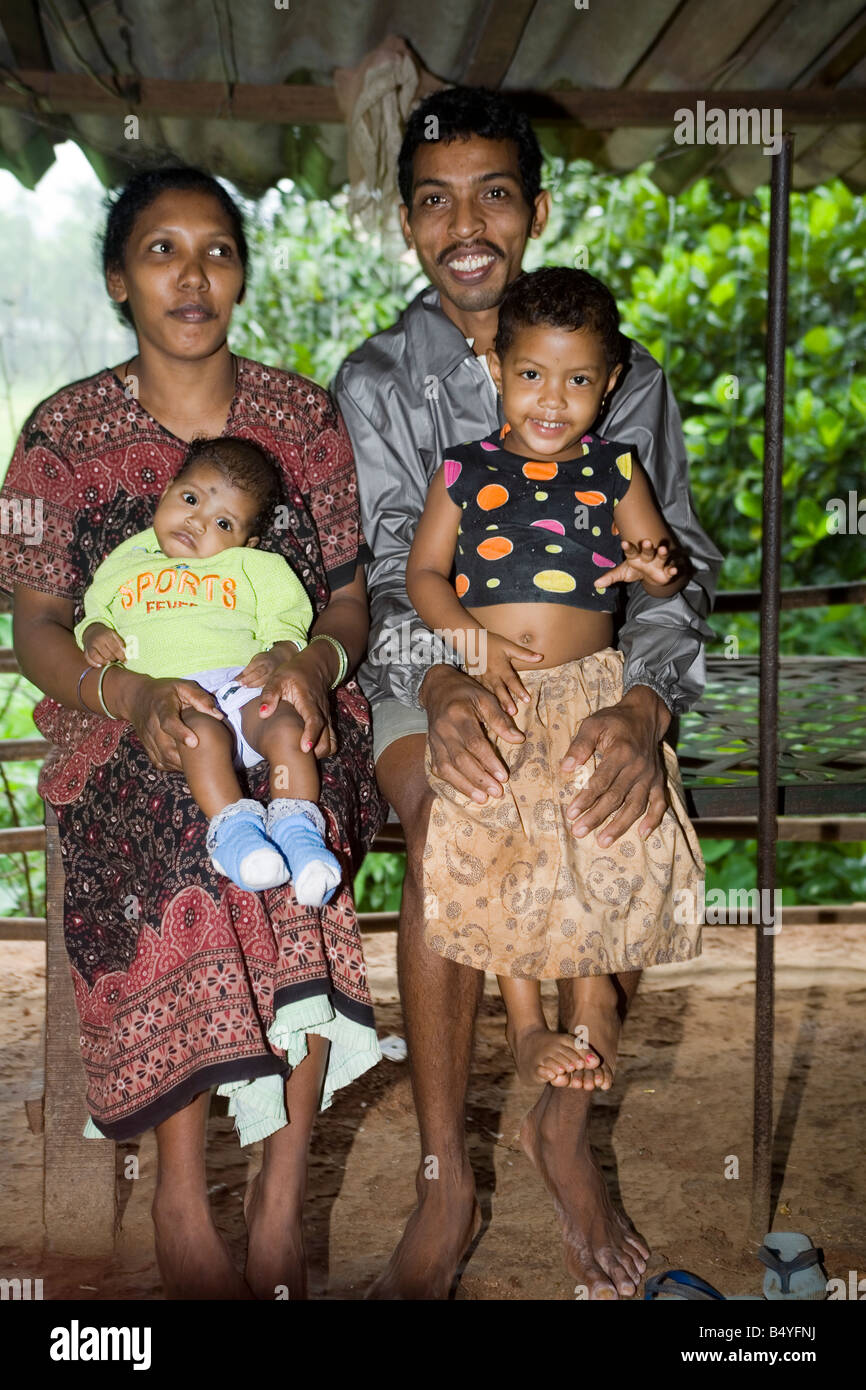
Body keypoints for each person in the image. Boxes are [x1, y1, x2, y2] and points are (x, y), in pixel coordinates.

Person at [334, 86, 723, 1299]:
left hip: (591, 677)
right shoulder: (378, 379)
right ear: (407, 224)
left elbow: (675, 573)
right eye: (437, 199)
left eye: (494, 192)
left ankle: (564, 1119)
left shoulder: (628, 379)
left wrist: (641, 710)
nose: (467, 223)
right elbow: (393, 575)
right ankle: (448, 1175)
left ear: (534, 209)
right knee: (455, 809)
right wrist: (446, 684)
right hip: (426, 667)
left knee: (611, 801)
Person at [1, 165, 388, 1300]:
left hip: (289, 703)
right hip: (116, 720)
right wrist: (124, 702)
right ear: (120, 278)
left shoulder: (300, 418)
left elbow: (352, 597)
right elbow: (33, 619)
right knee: (174, 815)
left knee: (295, 828)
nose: (192, 273)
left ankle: (276, 1199)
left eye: (216, 248)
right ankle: (179, 1185)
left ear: (242, 270)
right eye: (161, 251)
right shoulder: (63, 433)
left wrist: (311, 663)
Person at [407, 265, 705, 1088]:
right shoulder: (461, 471)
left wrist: (654, 566)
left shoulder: (617, 469)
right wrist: (468, 644)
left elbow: (662, 569)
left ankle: (595, 994)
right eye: (532, 375)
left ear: (609, 386)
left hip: (593, 688)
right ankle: (530, 1024)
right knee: (503, 839)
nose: (551, 399)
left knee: (601, 830)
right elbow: (424, 575)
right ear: (498, 369)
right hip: (497, 693)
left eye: (577, 381)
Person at [76, 434, 342, 905]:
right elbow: (97, 608)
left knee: (286, 727)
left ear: (247, 540)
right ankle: (235, 834)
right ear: (166, 493)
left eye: (222, 522)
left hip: (243, 684)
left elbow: (287, 617)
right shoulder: (126, 562)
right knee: (200, 737)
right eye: (191, 499)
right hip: (178, 694)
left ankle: (300, 834)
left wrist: (281, 652)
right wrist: (95, 630)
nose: (197, 521)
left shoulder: (254, 565)